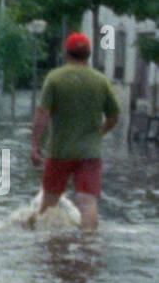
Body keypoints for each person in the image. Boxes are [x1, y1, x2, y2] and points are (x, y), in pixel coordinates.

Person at [29, 32, 120, 232]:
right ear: (88, 54)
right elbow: (114, 117)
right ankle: (88, 249)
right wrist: (98, 134)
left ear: (66, 53)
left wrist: (35, 145)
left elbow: (42, 113)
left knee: (49, 202)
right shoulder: (101, 81)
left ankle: (46, 249)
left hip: (59, 152)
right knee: (87, 202)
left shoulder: (54, 78)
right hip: (90, 153)